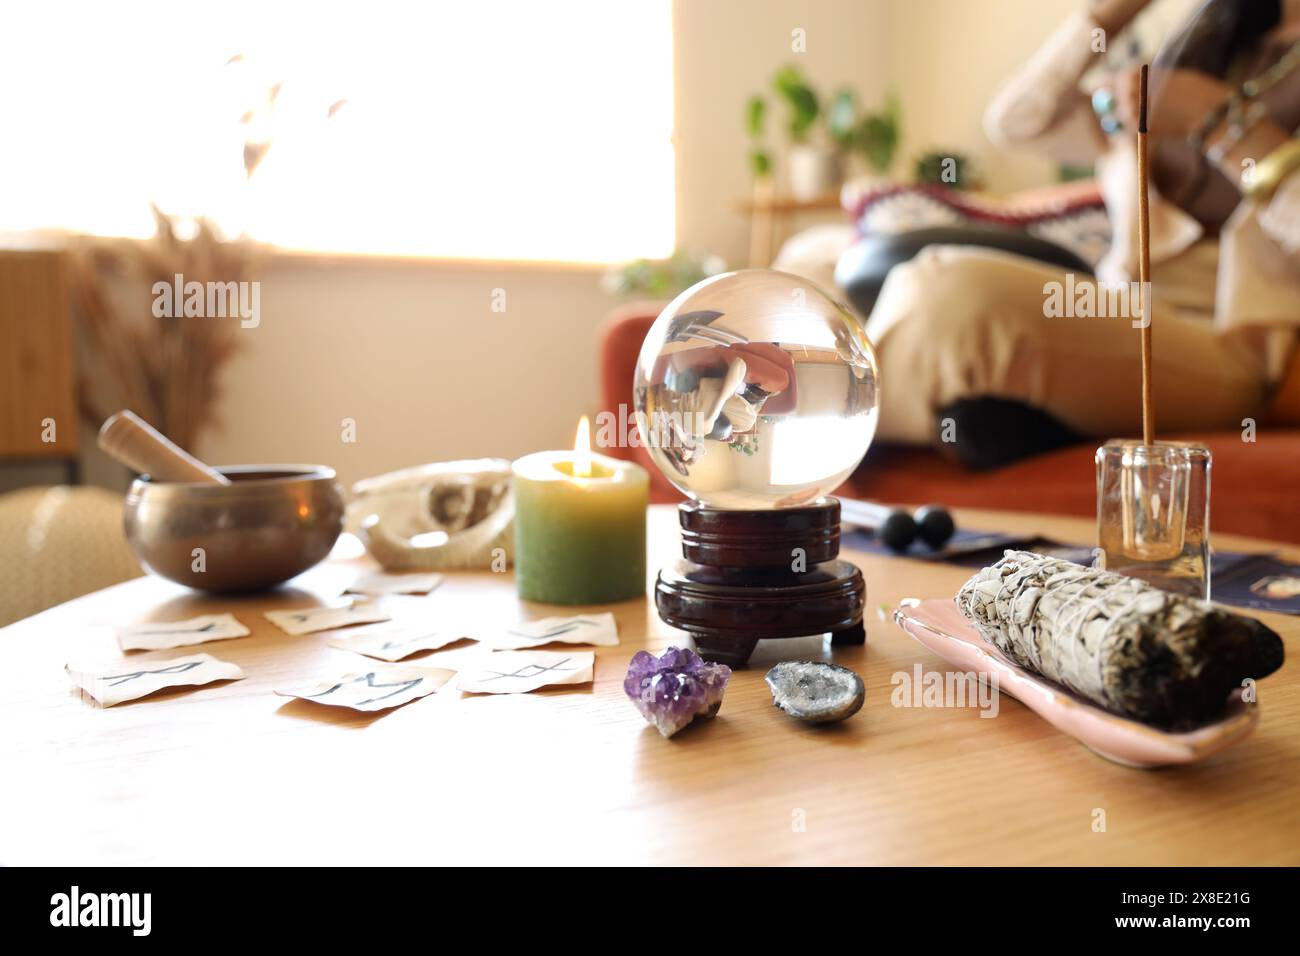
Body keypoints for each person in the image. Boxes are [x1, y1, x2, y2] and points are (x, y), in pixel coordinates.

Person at [864, 0, 1300, 466]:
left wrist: (1219, 122)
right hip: (1120, 304)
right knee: (820, 258)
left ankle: (824, 473)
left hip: (1230, 339)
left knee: (947, 294)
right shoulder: (1215, 39)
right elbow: (1016, 123)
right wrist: (1107, 17)